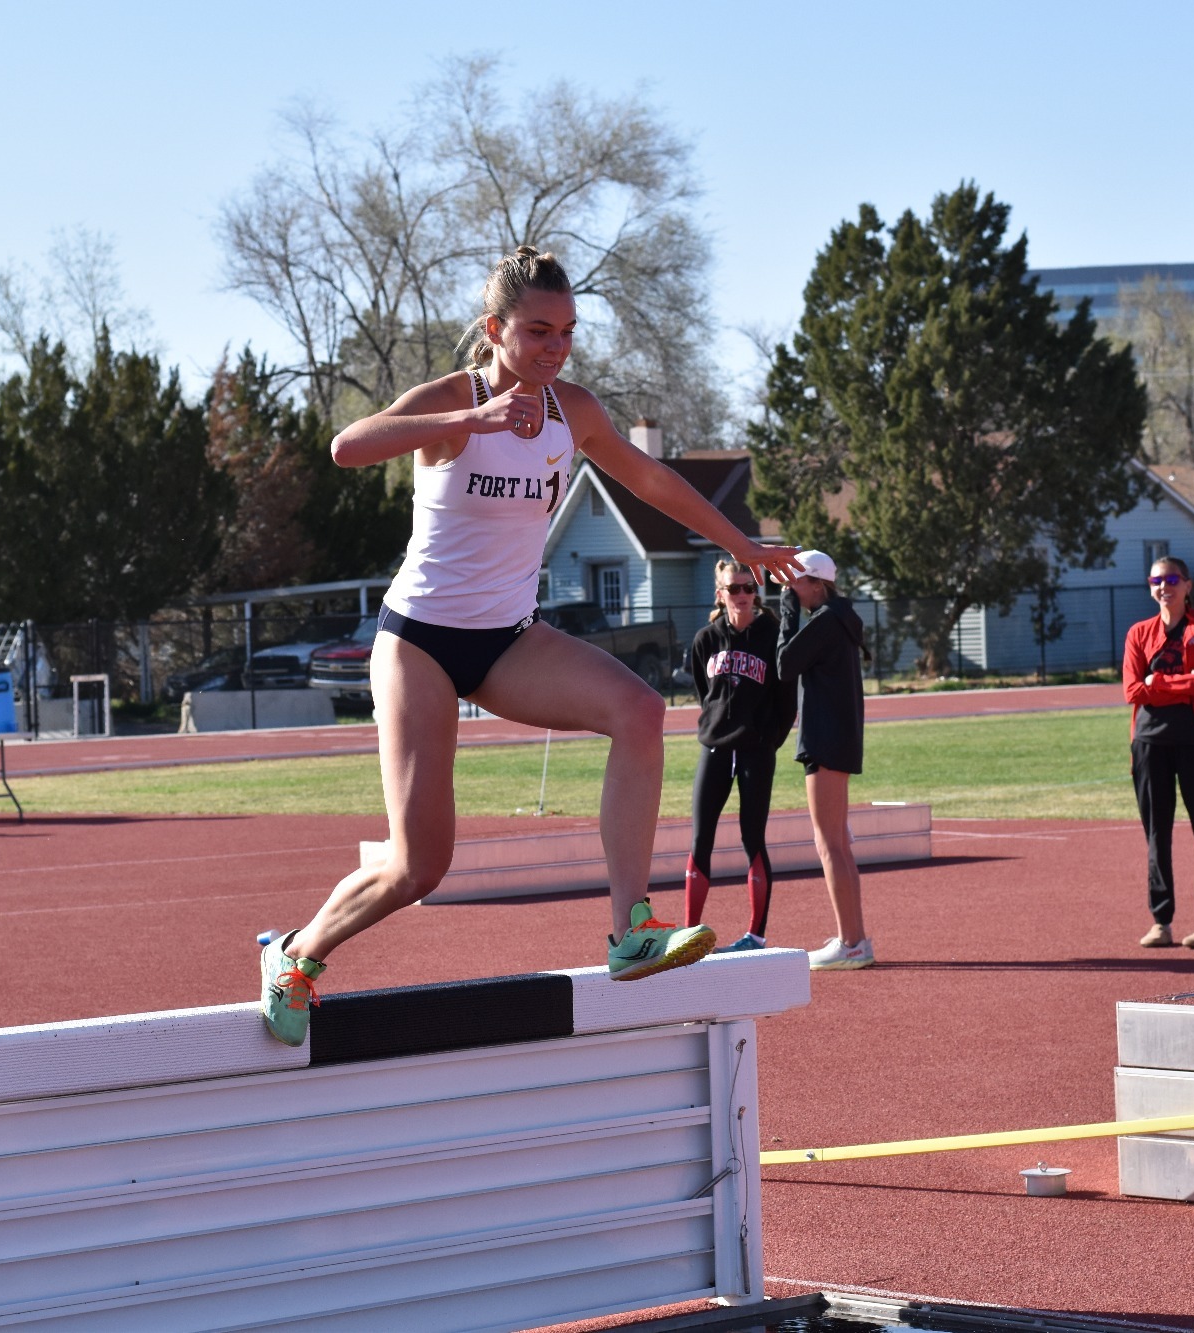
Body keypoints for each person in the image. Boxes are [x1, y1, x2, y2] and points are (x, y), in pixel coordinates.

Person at [255, 246, 802, 1045]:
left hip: (509, 639)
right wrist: (466, 421)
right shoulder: (459, 396)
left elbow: (650, 480)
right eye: (538, 331)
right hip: (421, 645)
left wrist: (742, 542)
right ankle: (298, 955)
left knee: (640, 711)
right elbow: (348, 445)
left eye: (568, 332)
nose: (555, 348)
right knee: (419, 865)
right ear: (496, 331)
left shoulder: (571, 411)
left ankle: (630, 931)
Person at [685, 558, 796, 952]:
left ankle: (755, 935)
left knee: (753, 837)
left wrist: (767, 741)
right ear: (721, 594)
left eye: (750, 588)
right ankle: (690, 933)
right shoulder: (705, 640)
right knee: (702, 839)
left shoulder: (773, 635)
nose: (744, 596)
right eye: (735, 589)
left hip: (756, 751)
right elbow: (705, 692)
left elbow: (786, 702)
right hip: (715, 747)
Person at [1122, 557, 1194, 949]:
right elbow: (1132, 690)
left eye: (1171, 579)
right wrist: (1170, 685)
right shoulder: (1138, 633)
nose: (1163, 586)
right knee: (1157, 833)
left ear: (1187, 585)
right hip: (1150, 743)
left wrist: (1159, 681)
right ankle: (1161, 920)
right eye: (1156, 579)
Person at [776, 550, 873, 970]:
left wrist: (785, 614)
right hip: (837, 738)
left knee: (830, 843)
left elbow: (784, 664)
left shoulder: (827, 621)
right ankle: (854, 939)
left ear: (817, 584)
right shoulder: (838, 620)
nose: (789, 588)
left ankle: (851, 942)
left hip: (826, 740)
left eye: (795, 582)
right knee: (837, 844)